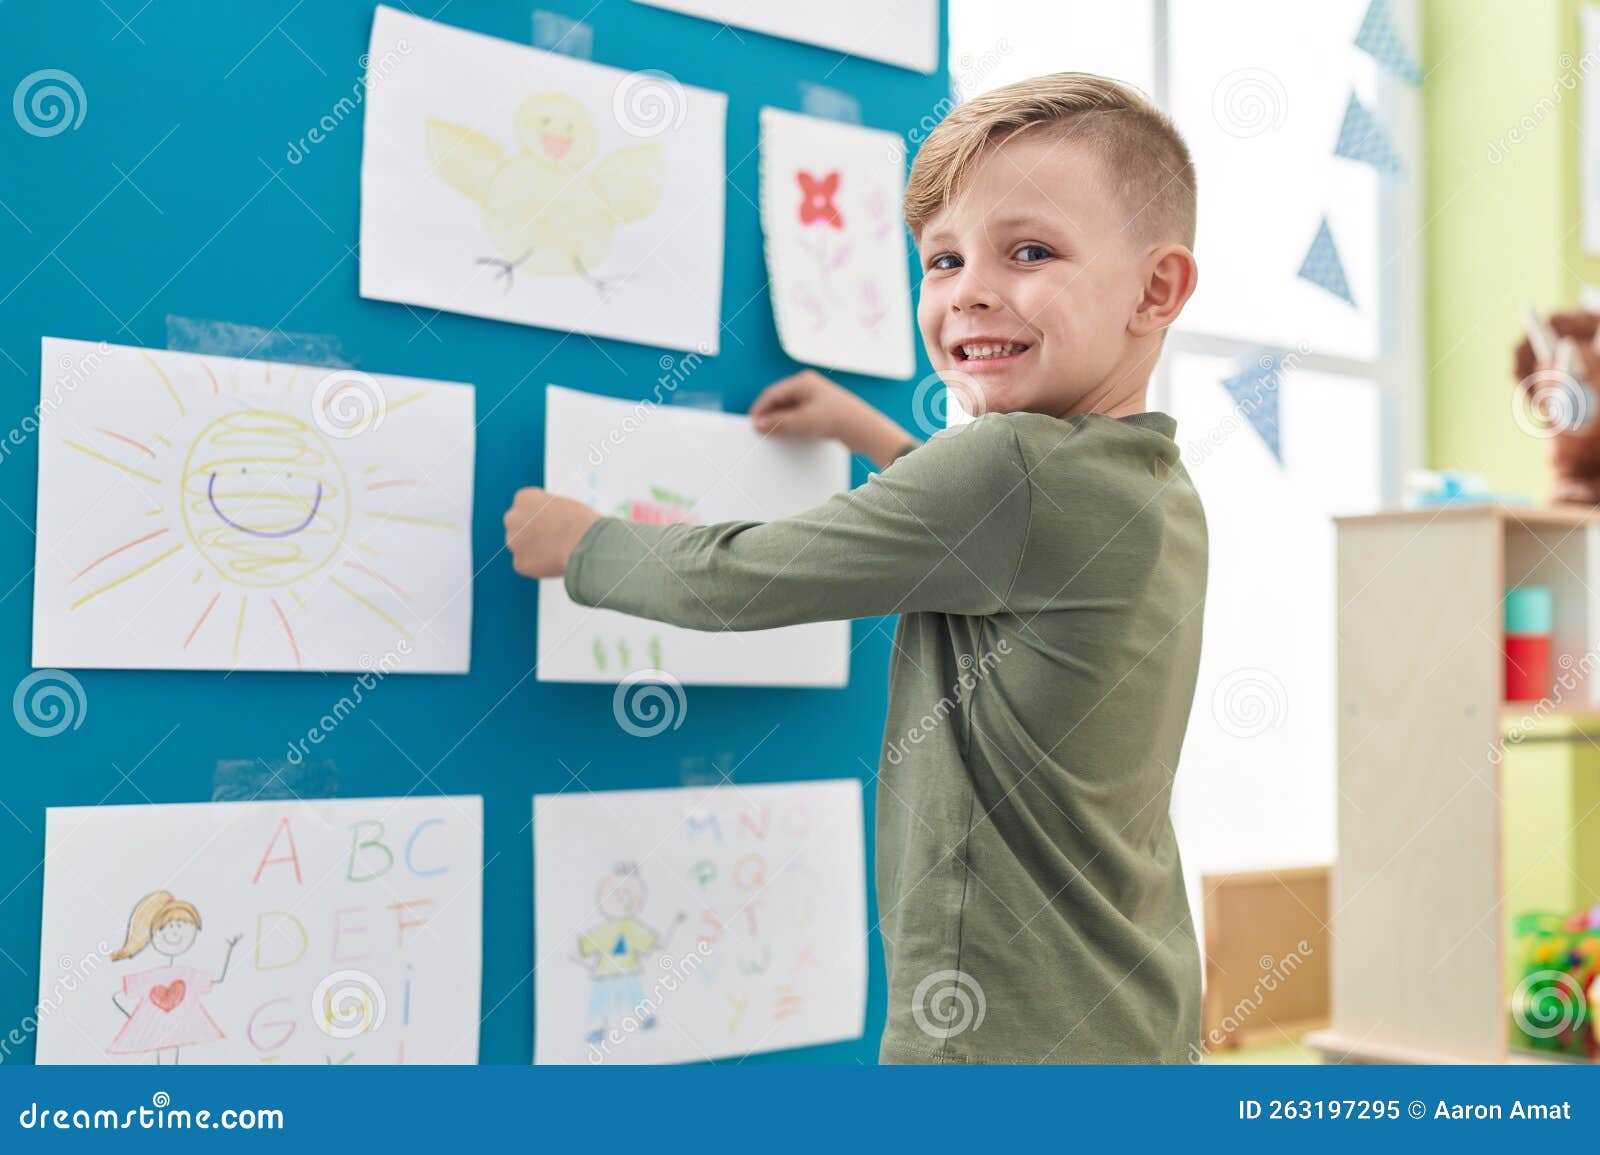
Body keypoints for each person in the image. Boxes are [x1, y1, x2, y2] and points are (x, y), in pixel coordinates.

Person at [504, 72, 1207, 1063]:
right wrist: (870, 431)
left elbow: (743, 579)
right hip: (1136, 1009)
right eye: (942, 260)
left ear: (1156, 287)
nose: (969, 289)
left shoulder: (1009, 468)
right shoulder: (1148, 481)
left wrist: (581, 543)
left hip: (996, 1039)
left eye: (1030, 251)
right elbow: (995, 537)